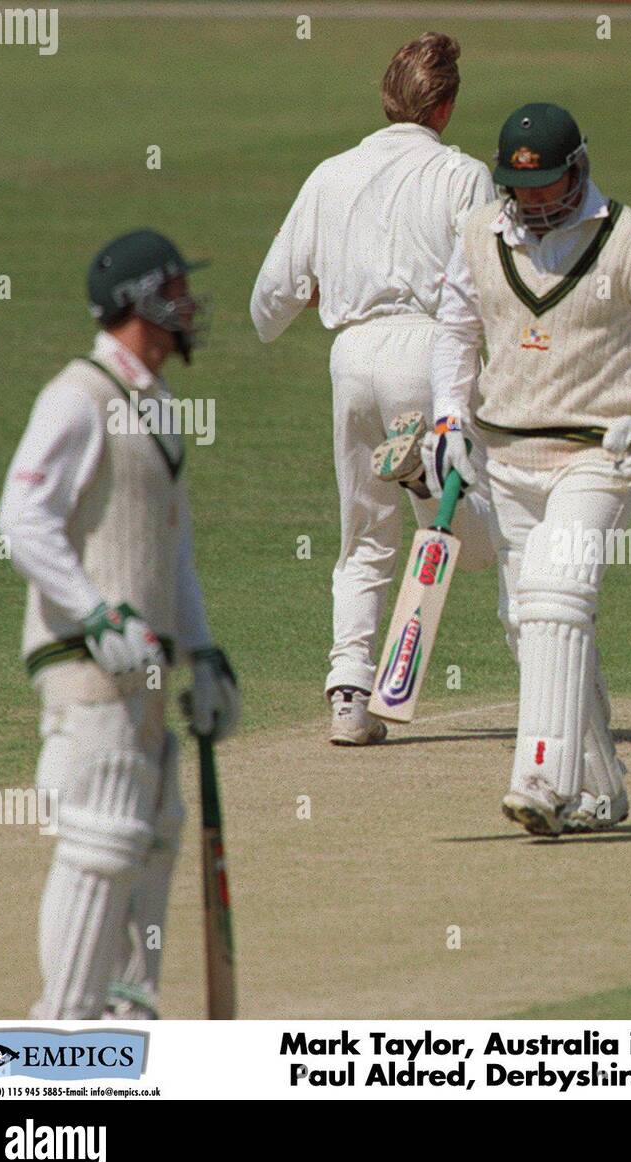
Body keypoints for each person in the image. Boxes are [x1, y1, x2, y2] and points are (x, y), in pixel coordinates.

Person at [429, 103, 631, 835]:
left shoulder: (630, 237)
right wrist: (448, 417)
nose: (536, 199)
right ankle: (601, 789)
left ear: (579, 168)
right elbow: (455, 330)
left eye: (549, 184)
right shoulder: (479, 234)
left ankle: (542, 781)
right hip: (506, 457)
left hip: (598, 451)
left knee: (557, 591)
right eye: (522, 187)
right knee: (531, 623)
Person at [0, 228, 239, 1018]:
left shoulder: (158, 404)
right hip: (89, 663)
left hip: (146, 667)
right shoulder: (79, 394)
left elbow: (173, 553)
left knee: (153, 836)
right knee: (103, 839)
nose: (189, 306)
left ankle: (127, 1017)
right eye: (176, 290)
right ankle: (63, 1033)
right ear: (139, 302)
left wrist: (203, 654)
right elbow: (22, 519)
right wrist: (95, 613)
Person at [250, 32, 496, 746]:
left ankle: (349, 698)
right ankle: (422, 478)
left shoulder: (330, 174)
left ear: (387, 98)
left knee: (362, 537)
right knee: (477, 539)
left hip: (351, 357)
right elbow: (486, 282)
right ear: (445, 107)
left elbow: (268, 305)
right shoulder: (463, 175)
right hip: (433, 350)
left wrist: (331, 287)